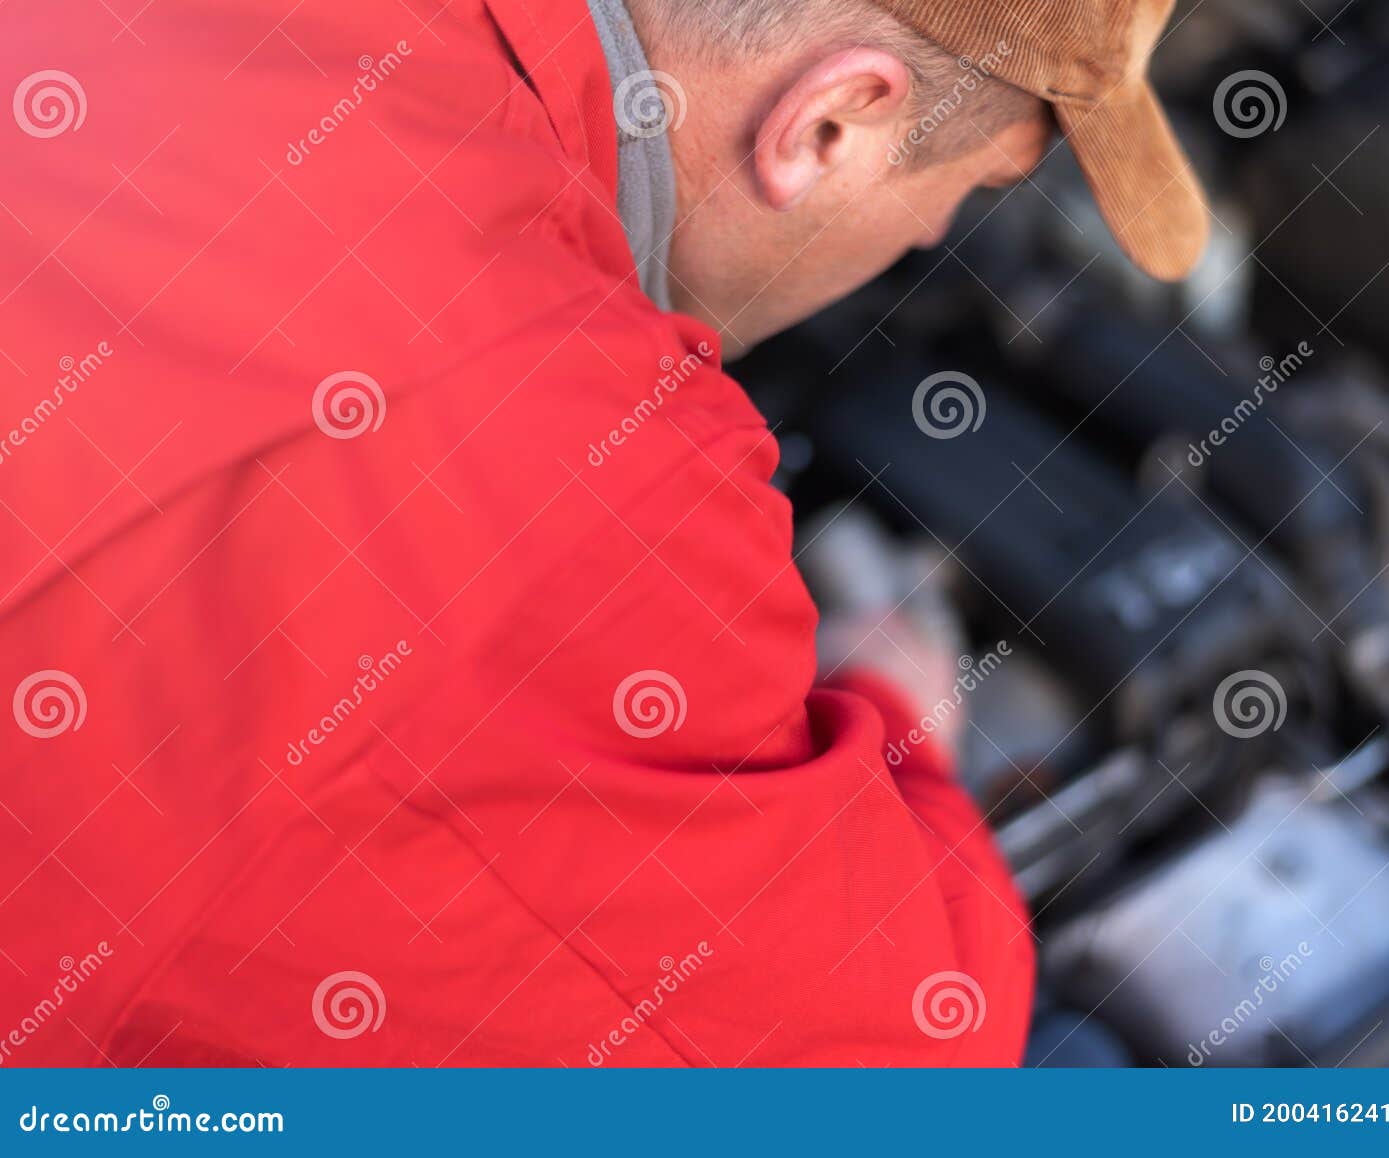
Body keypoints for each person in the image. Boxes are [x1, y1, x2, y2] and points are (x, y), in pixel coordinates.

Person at [0, 0, 1206, 1066]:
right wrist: (902, 733)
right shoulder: (567, 480)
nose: (933, 236)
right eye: (976, 183)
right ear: (832, 122)